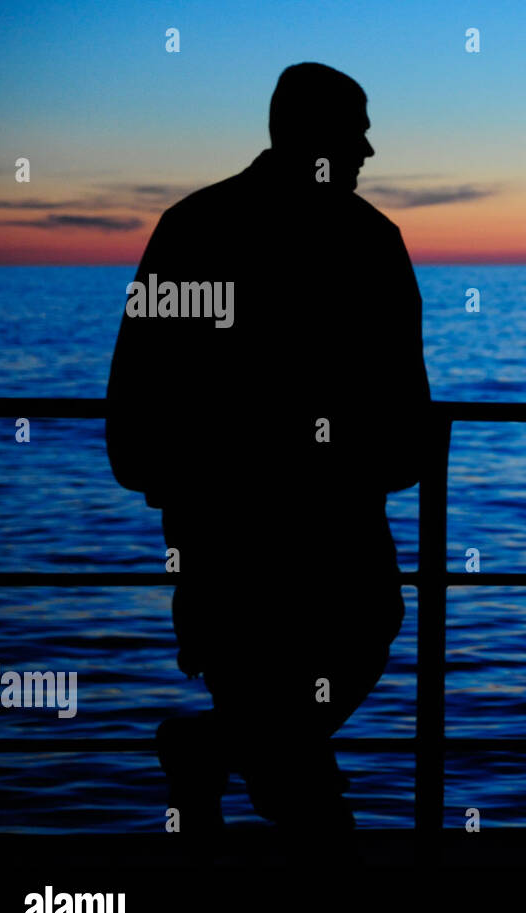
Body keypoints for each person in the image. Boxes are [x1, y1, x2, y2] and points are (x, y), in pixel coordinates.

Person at [105, 63, 431, 836]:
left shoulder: (194, 227)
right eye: (356, 129)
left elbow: (135, 400)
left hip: (222, 542)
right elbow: (404, 416)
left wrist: (182, 484)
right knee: (297, 746)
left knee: (276, 719)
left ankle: (211, 748)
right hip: (328, 540)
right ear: (313, 134)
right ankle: (222, 757)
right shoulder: (370, 243)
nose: (368, 149)